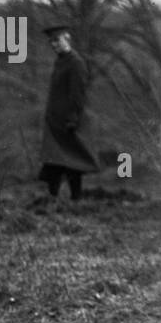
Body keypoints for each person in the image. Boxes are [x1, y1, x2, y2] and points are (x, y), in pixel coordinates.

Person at [37, 25, 100, 200]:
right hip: (55, 123)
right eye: (51, 41)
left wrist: (72, 119)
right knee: (54, 161)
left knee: (72, 162)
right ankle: (52, 199)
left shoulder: (76, 62)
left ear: (67, 38)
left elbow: (78, 94)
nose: (54, 44)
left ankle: (74, 200)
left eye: (57, 40)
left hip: (67, 123)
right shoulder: (61, 61)